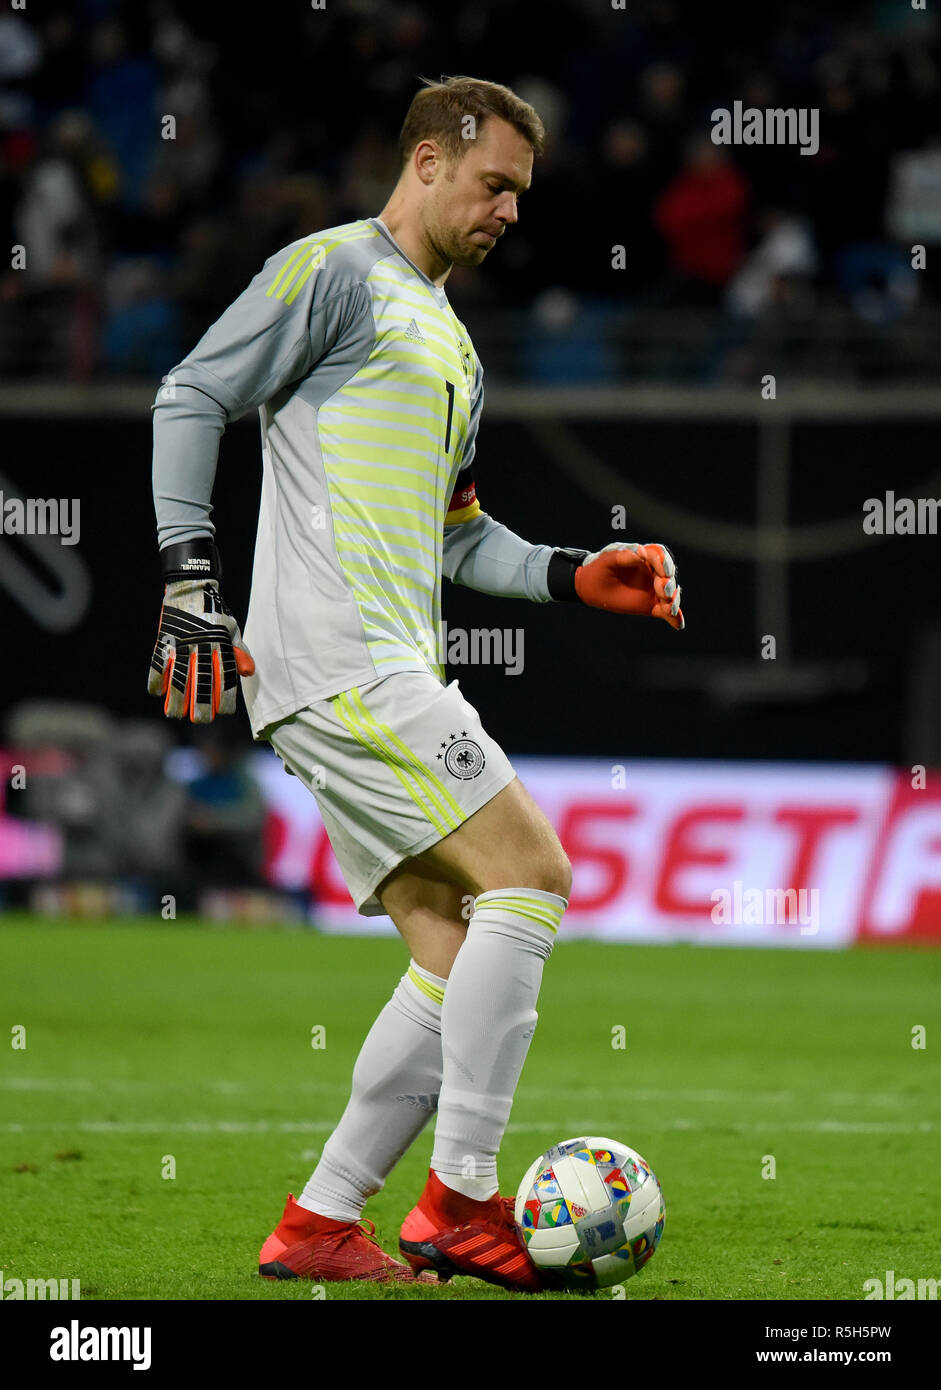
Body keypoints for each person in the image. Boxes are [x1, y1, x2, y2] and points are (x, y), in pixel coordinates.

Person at [148, 75, 684, 1292]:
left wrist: (565, 573)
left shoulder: (452, 342)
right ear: (430, 161)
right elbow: (191, 392)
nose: (506, 211)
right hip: (343, 658)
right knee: (533, 873)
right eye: (493, 183)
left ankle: (323, 1217)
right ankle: (462, 1199)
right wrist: (190, 575)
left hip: (374, 663)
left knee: (450, 940)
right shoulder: (333, 272)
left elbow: (456, 535)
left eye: (520, 195)